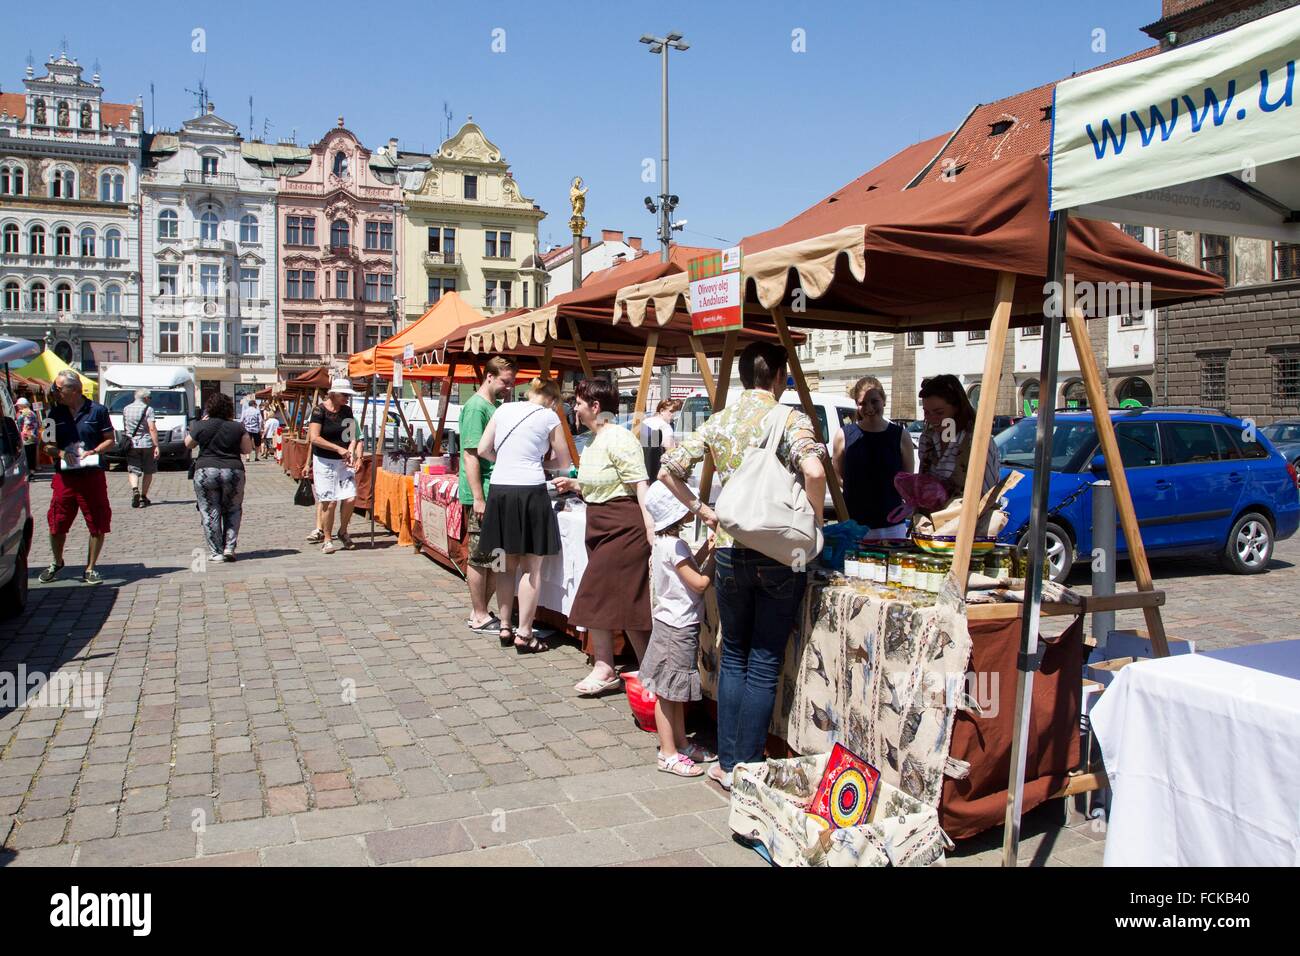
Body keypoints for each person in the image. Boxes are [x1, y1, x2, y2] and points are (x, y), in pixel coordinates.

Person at [657, 342, 827, 789]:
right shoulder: (789, 419)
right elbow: (814, 472)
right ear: (777, 377)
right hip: (780, 552)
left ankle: (728, 763)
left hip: (730, 548)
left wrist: (702, 510)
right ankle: (747, 767)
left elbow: (667, 469)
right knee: (765, 658)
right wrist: (814, 526)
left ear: (744, 378)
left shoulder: (720, 420)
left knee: (733, 653)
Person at [552, 377, 655, 697]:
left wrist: (651, 530)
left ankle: (607, 666)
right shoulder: (594, 440)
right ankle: (649, 671)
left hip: (623, 527)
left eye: (579, 403)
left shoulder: (619, 438)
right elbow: (602, 484)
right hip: (600, 525)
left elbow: (640, 484)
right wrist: (574, 486)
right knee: (628, 603)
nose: (575, 408)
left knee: (594, 594)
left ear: (595, 407)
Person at [475, 378, 571, 653]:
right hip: (531, 490)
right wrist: (540, 463)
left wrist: (504, 461)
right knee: (532, 567)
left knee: (503, 563)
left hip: (500, 490)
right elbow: (563, 462)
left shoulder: (504, 409)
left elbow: (483, 450)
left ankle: (505, 625)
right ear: (553, 399)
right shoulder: (549, 416)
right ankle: (525, 632)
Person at [642, 482, 717, 777]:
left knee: (671, 691)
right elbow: (698, 583)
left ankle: (681, 743)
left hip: (670, 623)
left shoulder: (665, 542)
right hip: (678, 627)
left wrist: (706, 550)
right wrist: (715, 559)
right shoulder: (674, 545)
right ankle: (668, 752)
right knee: (667, 693)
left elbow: (687, 570)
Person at [37, 369, 116, 585]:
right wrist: (61, 453)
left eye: (58, 389)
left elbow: (110, 439)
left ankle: (90, 568)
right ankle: (57, 561)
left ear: (74, 390)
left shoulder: (97, 411)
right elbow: (46, 446)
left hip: (92, 475)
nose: (55, 392)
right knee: (57, 521)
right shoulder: (54, 414)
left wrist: (96, 451)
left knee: (97, 521)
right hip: (65, 477)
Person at [459, 356, 517, 633]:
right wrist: (478, 497)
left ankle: (479, 611)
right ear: (490, 377)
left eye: (511, 382)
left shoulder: (492, 406)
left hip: (494, 490)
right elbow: (471, 455)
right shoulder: (477, 408)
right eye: (506, 382)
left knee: (495, 556)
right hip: (482, 492)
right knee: (481, 556)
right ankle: (480, 614)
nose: (509, 387)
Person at [832, 375, 915, 538]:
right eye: (862, 403)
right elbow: (838, 476)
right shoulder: (844, 435)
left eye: (874, 401)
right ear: (856, 405)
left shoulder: (900, 435)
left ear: (884, 400)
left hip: (892, 526)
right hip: (855, 525)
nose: (869, 408)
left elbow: (907, 480)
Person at [184, 392, 251, 562]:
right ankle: (229, 548)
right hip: (233, 471)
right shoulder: (238, 427)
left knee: (209, 511)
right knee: (233, 509)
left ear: (209, 408)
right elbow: (247, 450)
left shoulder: (200, 425)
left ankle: (216, 552)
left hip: (206, 471)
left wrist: (201, 427)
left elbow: (188, 444)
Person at [917, 374, 999, 500]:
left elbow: (988, 495)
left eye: (939, 412)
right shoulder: (926, 439)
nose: (932, 418)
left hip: (967, 518)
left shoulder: (977, 440)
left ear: (957, 407)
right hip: (929, 518)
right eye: (926, 412)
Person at [305, 379, 362, 553]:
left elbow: (352, 436)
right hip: (324, 460)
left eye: (348, 395)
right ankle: (327, 538)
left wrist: (351, 451)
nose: (347, 398)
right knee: (329, 501)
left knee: (350, 497)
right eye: (344, 395)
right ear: (334, 394)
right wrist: (338, 449)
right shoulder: (318, 410)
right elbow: (314, 438)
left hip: (343, 461)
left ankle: (343, 530)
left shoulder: (346, 410)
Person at [122, 388, 161, 508]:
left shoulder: (126, 409)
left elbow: (125, 426)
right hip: (146, 444)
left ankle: (135, 489)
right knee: (148, 470)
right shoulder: (148, 409)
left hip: (131, 443)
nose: (150, 400)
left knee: (133, 468)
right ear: (145, 398)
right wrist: (157, 445)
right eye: (149, 398)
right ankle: (144, 496)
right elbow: (152, 428)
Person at [639, 398, 681, 483]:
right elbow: (671, 450)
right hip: (658, 474)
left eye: (676, 412)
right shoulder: (665, 426)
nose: (673, 415)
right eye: (671, 411)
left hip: (643, 472)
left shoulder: (646, 422)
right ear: (662, 410)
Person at [16, 397, 38, 474]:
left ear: (22, 405)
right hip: (33, 436)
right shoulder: (32, 412)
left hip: (26, 437)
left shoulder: (24, 412)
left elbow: (19, 423)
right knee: (32, 455)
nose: (18, 407)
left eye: (18, 405)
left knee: (28, 456)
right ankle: (32, 470)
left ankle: (30, 472)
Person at [240, 399, 264, 463]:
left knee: (247, 443)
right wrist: (260, 428)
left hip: (247, 430)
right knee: (257, 444)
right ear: (253, 404)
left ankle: (248, 457)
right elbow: (260, 421)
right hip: (256, 430)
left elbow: (241, 420)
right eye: (255, 404)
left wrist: (243, 428)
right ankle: (256, 457)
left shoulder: (245, 411)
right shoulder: (257, 411)